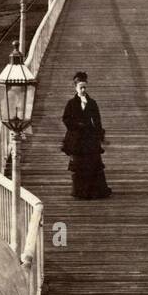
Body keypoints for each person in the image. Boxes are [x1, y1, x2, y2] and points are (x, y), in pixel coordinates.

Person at [60, 71, 112, 199]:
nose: (83, 90)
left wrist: (100, 135)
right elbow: (66, 119)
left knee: (93, 163)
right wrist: (76, 125)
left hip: (90, 138)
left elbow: (97, 120)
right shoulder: (71, 103)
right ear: (76, 88)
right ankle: (80, 191)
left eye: (85, 87)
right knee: (79, 165)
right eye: (80, 87)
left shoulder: (92, 103)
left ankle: (95, 191)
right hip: (77, 139)